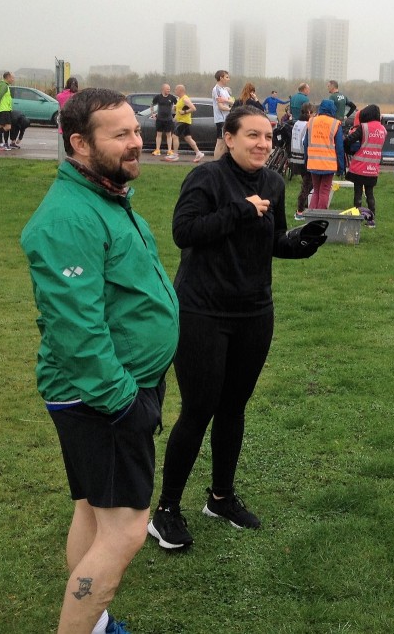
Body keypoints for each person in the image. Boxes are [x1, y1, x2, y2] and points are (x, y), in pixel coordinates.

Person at [20, 88, 180, 634]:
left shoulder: (106, 194)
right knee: (127, 530)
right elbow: (77, 331)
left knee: (91, 507)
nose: (136, 142)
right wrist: (122, 403)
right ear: (79, 144)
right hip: (103, 395)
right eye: (121, 135)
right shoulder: (68, 218)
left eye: (136, 130)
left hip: (118, 388)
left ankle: (94, 622)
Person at [147, 105, 327, 550]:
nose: (263, 144)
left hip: (253, 313)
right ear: (228, 137)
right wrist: (239, 212)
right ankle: (166, 510)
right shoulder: (206, 178)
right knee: (199, 408)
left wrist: (300, 245)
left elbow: (274, 241)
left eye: (268, 137)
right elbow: (183, 232)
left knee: (234, 408)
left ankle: (221, 497)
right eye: (252, 136)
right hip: (203, 312)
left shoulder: (271, 181)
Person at [344, 104, 386, 227]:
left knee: (358, 193)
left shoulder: (364, 127)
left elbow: (349, 139)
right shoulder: (383, 129)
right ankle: (371, 220)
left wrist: (349, 150)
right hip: (373, 166)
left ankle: (357, 217)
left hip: (360, 165)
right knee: (370, 193)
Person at [302, 99, 344, 210]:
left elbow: (305, 143)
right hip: (328, 164)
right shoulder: (335, 124)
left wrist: (306, 161)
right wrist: (341, 167)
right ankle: (321, 217)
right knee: (324, 191)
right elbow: (339, 148)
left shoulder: (311, 122)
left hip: (313, 162)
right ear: (332, 109)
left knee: (316, 191)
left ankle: (311, 217)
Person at [290, 102, 314, 221]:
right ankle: (300, 211)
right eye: (313, 113)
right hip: (304, 159)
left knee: (310, 184)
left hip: (295, 158)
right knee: (307, 185)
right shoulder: (308, 125)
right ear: (309, 112)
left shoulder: (297, 123)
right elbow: (306, 142)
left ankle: (305, 207)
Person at [173, 85, 205, 162]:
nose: (175, 91)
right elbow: (179, 110)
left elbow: (193, 108)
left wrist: (184, 112)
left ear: (180, 90)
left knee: (174, 136)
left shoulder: (185, 99)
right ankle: (198, 153)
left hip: (184, 121)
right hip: (180, 120)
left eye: (176, 89)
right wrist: (175, 110)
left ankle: (175, 155)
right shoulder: (179, 99)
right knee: (188, 138)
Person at [150, 84, 178, 160]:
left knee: (169, 134)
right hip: (159, 119)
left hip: (168, 119)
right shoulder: (158, 97)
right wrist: (152, 114)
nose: (168, 90)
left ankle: (169, 150)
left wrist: (175, 116)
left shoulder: (172, 97)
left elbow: (177, 106)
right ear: (163, 89)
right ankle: (157, 150)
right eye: (167, 89)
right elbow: (151, 105)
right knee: (159, 134)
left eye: (169, 89)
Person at [212, 70, 234, 159]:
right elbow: (220, 107)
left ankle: (222, 163)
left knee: (226, 143)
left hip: (227, 118)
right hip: (221, 119)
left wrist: (225, 100)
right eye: (227, 77)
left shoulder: (225, 90)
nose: (228, 79)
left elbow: (232, 102)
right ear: (221, 78)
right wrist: (230, 108)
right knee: (220, 142)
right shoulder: (216, 89)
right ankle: (216, 163)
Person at [56, 77, 80, 162]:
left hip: (64, 125)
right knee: (74, 149)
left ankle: (65, 163)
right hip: (76, 126)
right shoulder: (78, 96)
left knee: (66, 147)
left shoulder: (60, 96)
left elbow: (58, 96)